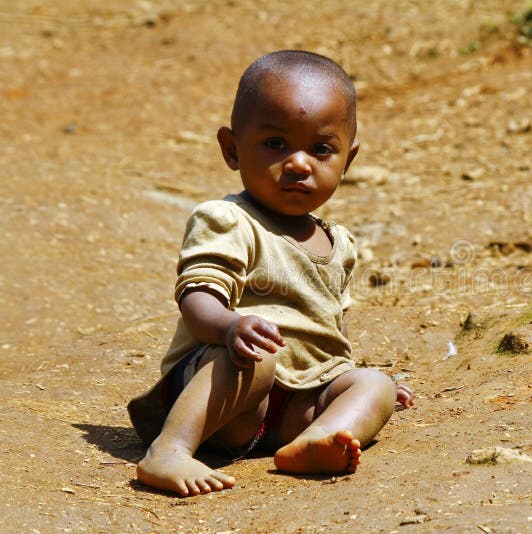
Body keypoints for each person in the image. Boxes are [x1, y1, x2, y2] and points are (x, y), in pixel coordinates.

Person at [127, 50, 414, 497]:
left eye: (321, 149)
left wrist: (351, 382)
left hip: (289, 410)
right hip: (225, 397)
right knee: (258, 356)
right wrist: (229, 326)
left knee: (372, 383)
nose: (299, 164)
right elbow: (197, 298)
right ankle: (169, 449)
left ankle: (312, 442)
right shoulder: (229, 220)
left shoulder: (339, 242)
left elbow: (329, 330)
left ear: (348, 160)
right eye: (276, 144)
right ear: (232, 148)